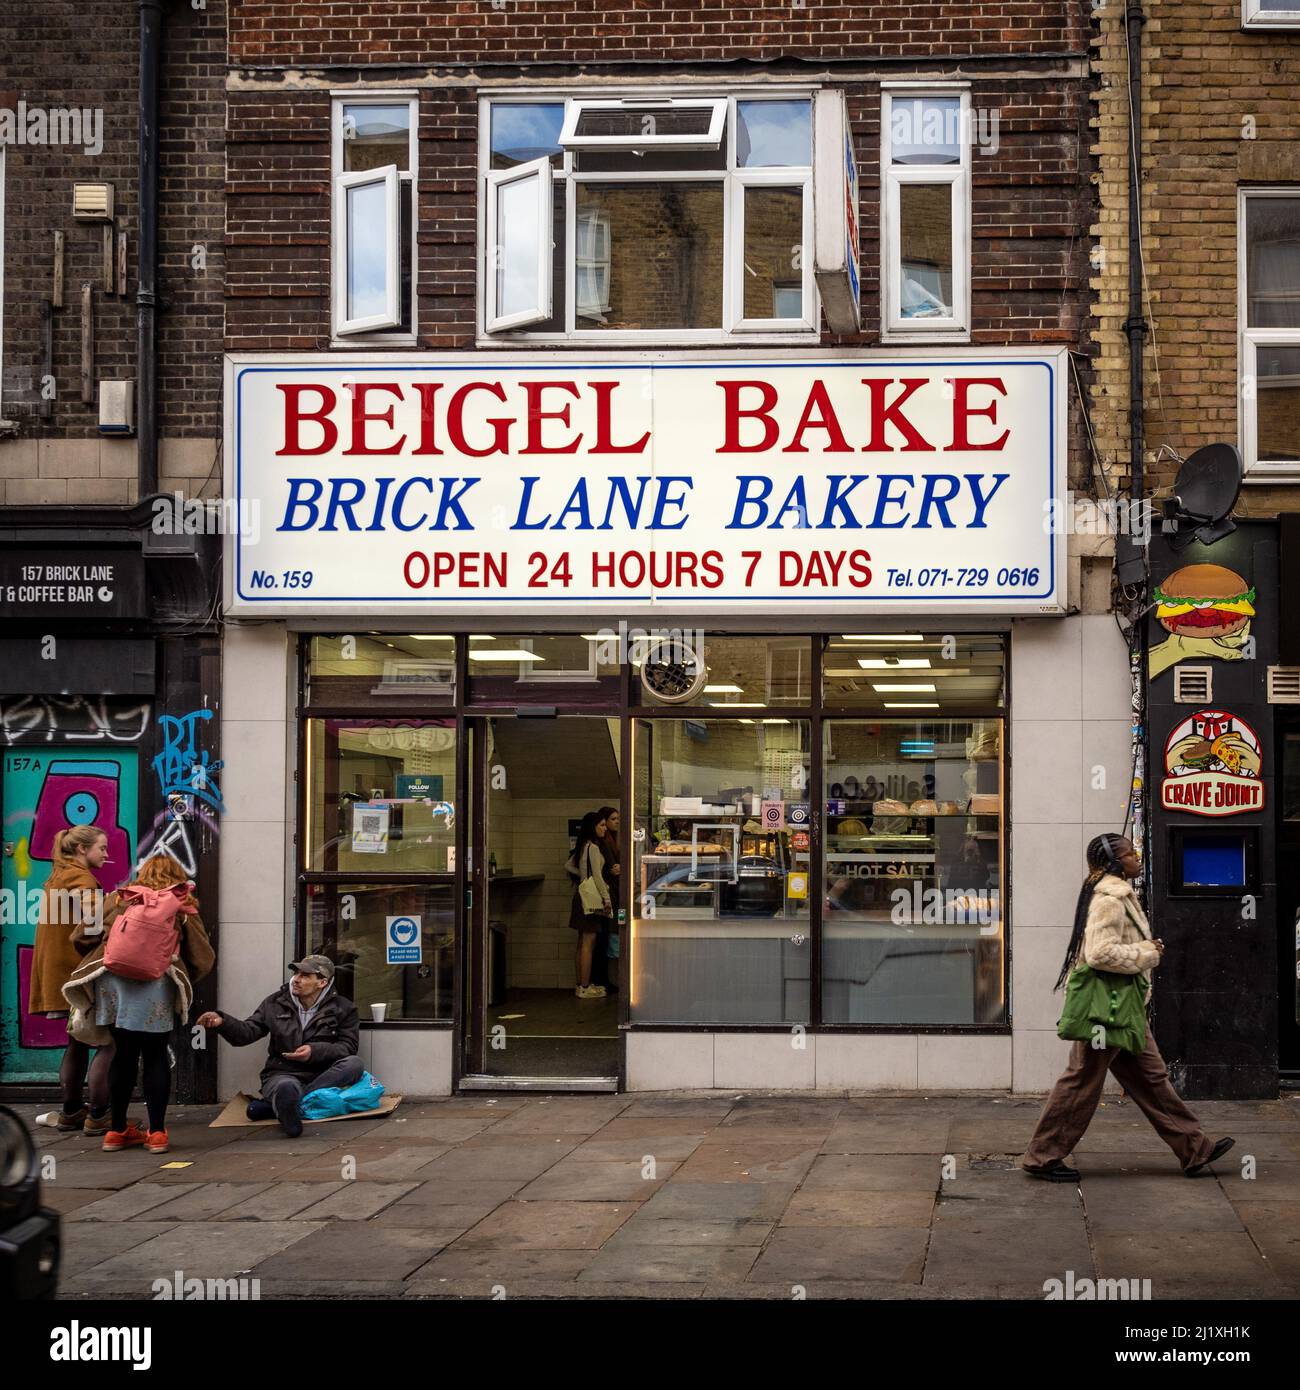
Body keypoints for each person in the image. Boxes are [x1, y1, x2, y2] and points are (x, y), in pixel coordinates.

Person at [1021, 833, 1234, 1182]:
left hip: (1126, 1006)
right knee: (1081, 1081)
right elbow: (1099, 953)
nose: (1138, 858)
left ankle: (1194, 1149)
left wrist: (1144, 946)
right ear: (1115, 863)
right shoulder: (1110, 899)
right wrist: (1146, 954)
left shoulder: (1116, 892)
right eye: (1131, 854)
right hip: (1108, 1010)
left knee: (1152, 1078)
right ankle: (1042, 1156)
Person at [62, 852, 214, 1155]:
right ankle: (157, 1133)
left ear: (142, 874)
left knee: (123, 1055)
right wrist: (180, 975)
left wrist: (104, 952)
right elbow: (203, 957)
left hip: (113, 985)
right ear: (177, 876)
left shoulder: (120, 898)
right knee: (156, 1055)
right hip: (156, 986)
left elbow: (79, 936)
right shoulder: (181, 904)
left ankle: (116, 1131)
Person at [197, 954, 362, 1138]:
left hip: (323, 1074)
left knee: (354, 1064)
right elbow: (247, 1033)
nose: (296, 980)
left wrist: (314, 1052)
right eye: (296, 973)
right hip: (283, 1073)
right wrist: (222, 1022)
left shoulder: (344, 1008)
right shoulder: (275, 1003)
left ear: (322, 983)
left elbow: (348, 1047)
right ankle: (290, 1104)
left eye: (305, 975)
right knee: (286, 1087)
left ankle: (282, 1105)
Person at [28, 826, 115, 1134]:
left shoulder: (57, 876)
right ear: (82, 849)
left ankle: (71, 1110)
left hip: (55, 970)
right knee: (110, 1043)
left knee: (75, 1041)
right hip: (75, 973)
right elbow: (95, 924)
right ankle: (101, 1114)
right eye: (101, 848)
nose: (107, 854)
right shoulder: (81, 878)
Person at [567, 811, 612, 1000]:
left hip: (580, 896)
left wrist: (582, 877)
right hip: (591, 899)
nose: (604, 828)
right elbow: (598, 877)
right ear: (592, 827)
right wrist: (606, 898)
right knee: (589, 942)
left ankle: (580, 984)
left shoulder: (582, 846)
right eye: (601, 825)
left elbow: (567, 866)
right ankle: (585, 986)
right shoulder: (593, 847)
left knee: (581, 942)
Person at [591, 805, 621, 992]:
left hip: (612, 891)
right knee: (605, 938)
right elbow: (603, 871)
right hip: (608, 893)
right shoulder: (601, 843)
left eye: (618, 819)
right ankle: (603, 979)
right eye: (612, 819)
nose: (616, 822)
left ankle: (605, 979)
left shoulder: (612, 840)